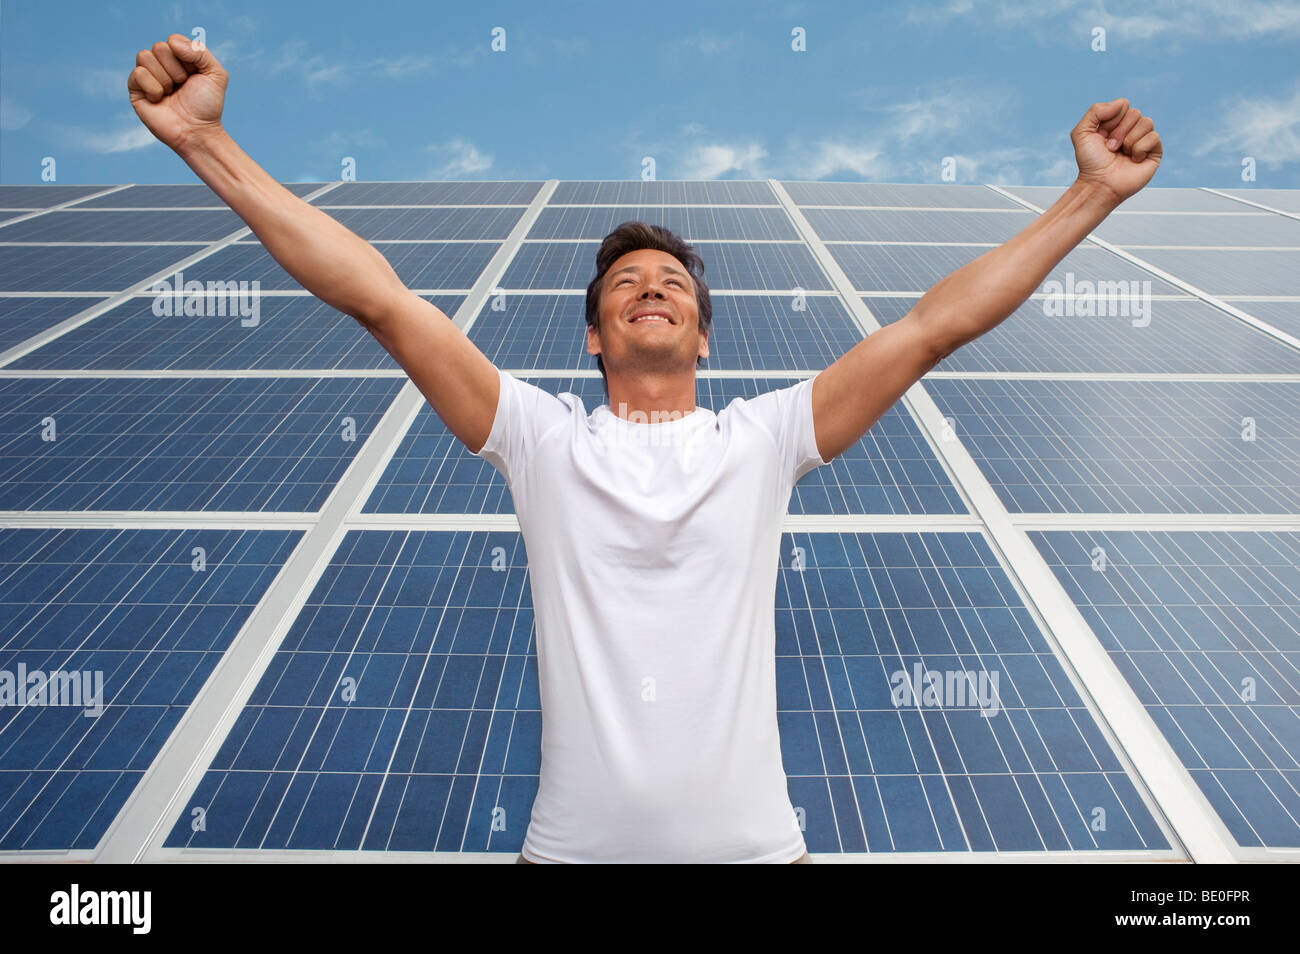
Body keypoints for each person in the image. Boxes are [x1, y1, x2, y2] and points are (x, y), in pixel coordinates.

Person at [128, 33, 1162, 864]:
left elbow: (932, 326)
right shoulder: (537, 439)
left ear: (704, 332)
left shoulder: (764, 438)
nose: (651, 288)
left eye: (671, 281)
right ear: (593, 336)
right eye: (625, 285)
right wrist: (204, 144)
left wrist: (1091, 196)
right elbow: (380, 299)